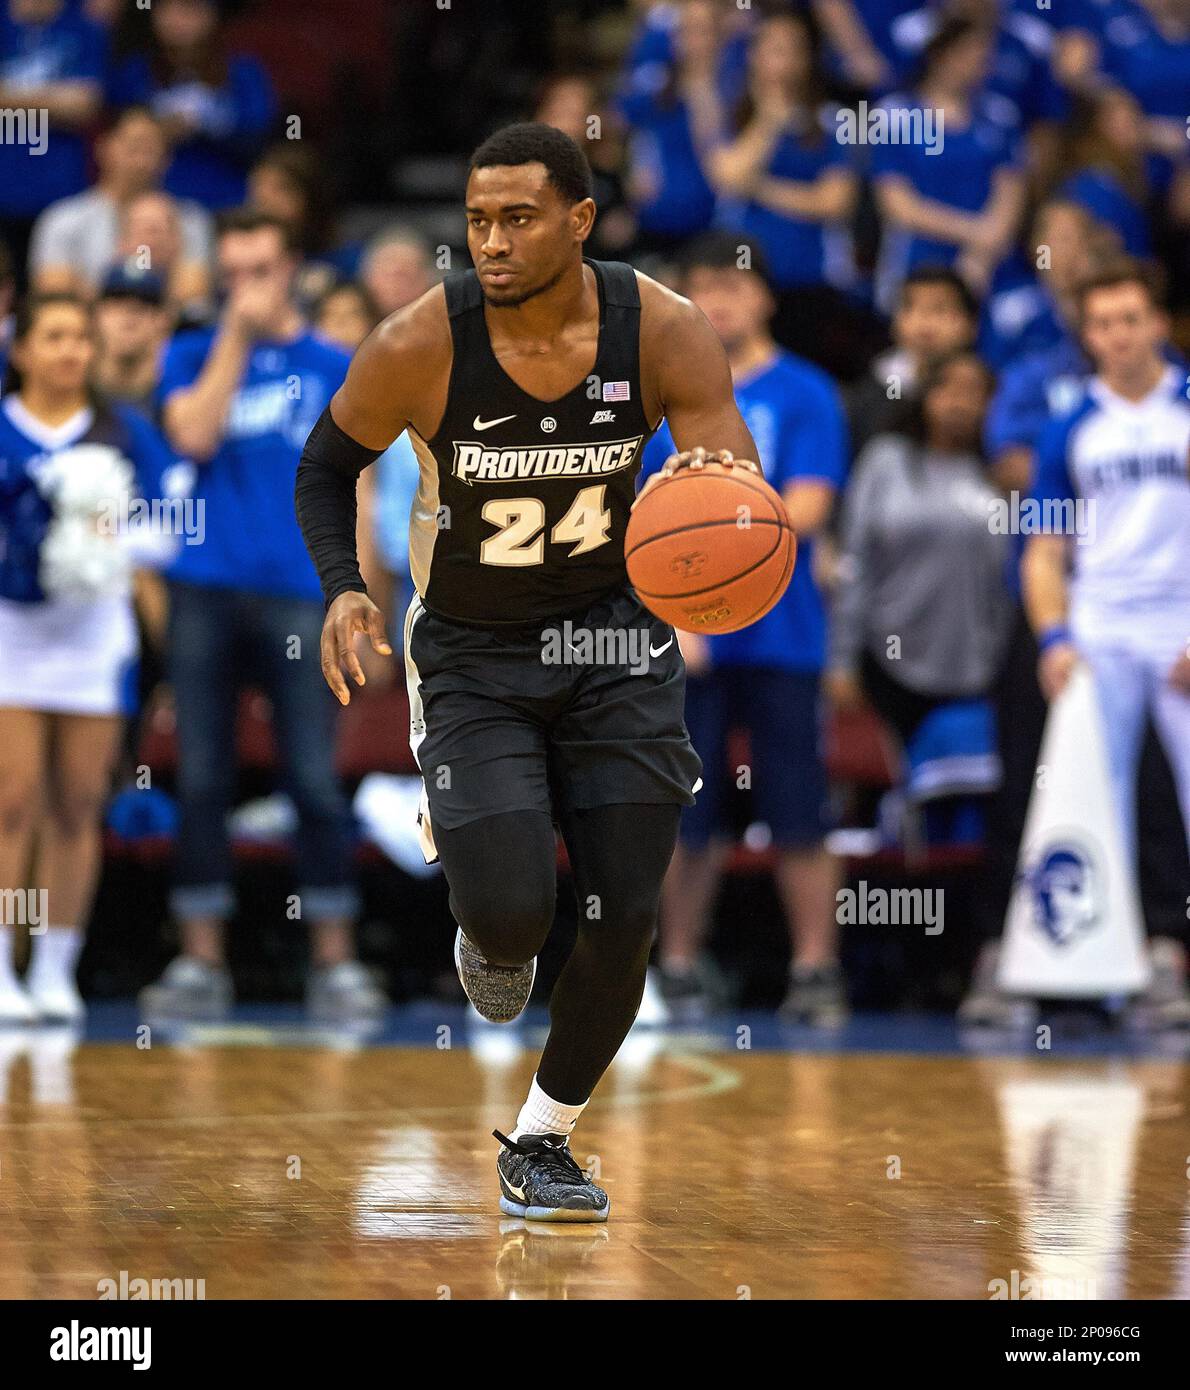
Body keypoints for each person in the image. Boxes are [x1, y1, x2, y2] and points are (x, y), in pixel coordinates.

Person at [295, 122, 759, 1221]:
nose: (490, 242)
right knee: (513, 917)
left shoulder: (664, 330)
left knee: (625, 907)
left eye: (516, 219)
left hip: (614, 639)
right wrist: (342, 587)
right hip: (471, 650)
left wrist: (717, 513)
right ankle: (482, 913)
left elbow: (728, 475)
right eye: (475, 221)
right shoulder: (420, 340)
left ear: (580, 221)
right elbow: (326, 469)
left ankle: (543, 1138)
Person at [140, 209, 383, 1024]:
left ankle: (336, 962)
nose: (246, 287)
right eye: (233, 273)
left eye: (262, 271)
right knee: (203, 775)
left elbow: (359, 486)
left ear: (295, 271)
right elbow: (193, 436)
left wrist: (363, 596)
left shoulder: (334, 364)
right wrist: (233, 342)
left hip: (302, 590)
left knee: (313, 777)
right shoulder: (186, 354)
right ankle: (201, 961)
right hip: (204, 585)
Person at [639, 232, 848, 1026]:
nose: (717, 299)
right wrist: (675, 608)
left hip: (783, 634)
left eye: (732, 283)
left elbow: (813, 505)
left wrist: (721, 535)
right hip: (689, 640)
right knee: (686, 815)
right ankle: (680, 966)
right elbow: (640, 524)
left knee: (800, 809)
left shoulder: (806, 393)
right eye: (701, 286)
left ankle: (815, 969)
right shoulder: (662, 394)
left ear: (765, 297)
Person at [1021, 258, 1190, 1028]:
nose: (1118, 336)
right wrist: (1054, 635)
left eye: (1131, 319)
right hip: (1103, 623)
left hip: (1181, 617)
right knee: (1099, 796)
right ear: (1087, 336)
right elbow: (1044, 551)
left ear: (1158, 321)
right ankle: (1120, 968)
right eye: (1103, 324)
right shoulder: (1069, 428)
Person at [0, 292, 178, 1022]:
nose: (71, 350)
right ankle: (3, 971)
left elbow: (170, 525)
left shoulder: (122, 429)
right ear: (22, 351)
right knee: (12, 802)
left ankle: (54, 967)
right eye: (54, 336)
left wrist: (107, 543)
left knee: (76, 803)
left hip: (93, 636)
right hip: (13, 634)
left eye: (81, 337)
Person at [828, 350, 1011, 846]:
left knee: (959, 814)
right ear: (925, 396)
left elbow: (1007, 586)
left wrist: (998, 658)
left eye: (976, 392)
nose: (961, 403)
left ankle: (962, 922)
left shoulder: (1000, 479)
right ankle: (888, 919)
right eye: (949, 388)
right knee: (884, 810)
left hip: (973, 672)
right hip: (884, 661)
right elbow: (854, 563)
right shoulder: (885, 461)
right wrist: (841, 659)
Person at [707, 10, 860, 353]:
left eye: (794, 50)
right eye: (774, 49)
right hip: (739, 278)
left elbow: (834, 202)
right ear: (753, 55)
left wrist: (759, 188)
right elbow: (727, 176)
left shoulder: (831, 121)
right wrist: (769, 120)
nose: (784, 61)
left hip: (809, 277)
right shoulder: (731, 114)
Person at [872, 17, 1025, 310]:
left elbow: (1011, 189)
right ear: (940, 55)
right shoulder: (895, 115)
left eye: (984, 50)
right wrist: (976, 234)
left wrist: (983, 251)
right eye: (969, 50)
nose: (981, 59)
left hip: (990, 266)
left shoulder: (1000, 114)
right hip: (917, 264)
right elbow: (897, 204)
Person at [29, 106, 214, 299]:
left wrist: (165, 267)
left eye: (151, 149)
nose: (141, 160)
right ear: (103, 148)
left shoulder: (190, 220)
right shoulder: (63, 220)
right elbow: (55, 297)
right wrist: (126, 270)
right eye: (134, 146)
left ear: (167, 158)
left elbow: (193, 300)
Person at [106, 0, 275, 210]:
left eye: (188, 10)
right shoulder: (136, 71)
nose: (176, 20)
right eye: (167, 9)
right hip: (152, 203)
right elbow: (116, 131)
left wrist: (207, 123)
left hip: (224, 198)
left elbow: (259, 133)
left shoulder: (242, 72)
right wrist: (158, 130)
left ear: (210, 15)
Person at [0, 0, 107, 273]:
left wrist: (8, 96)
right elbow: (70, 102)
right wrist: (54, 98)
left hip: (59, 191)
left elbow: (84, 105)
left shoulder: (84, 26)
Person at [844, 264, 977, 460]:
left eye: (939, 309)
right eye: (910, 307)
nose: (923, 321)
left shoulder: (985, 387)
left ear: (970, 324)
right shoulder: (878, 387)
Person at [92, 265, 173, 416]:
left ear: (164, 320)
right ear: (97, 316)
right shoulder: (74, 391)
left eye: (143, 306)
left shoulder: (179, 395)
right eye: (117, 303)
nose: (129, 317)